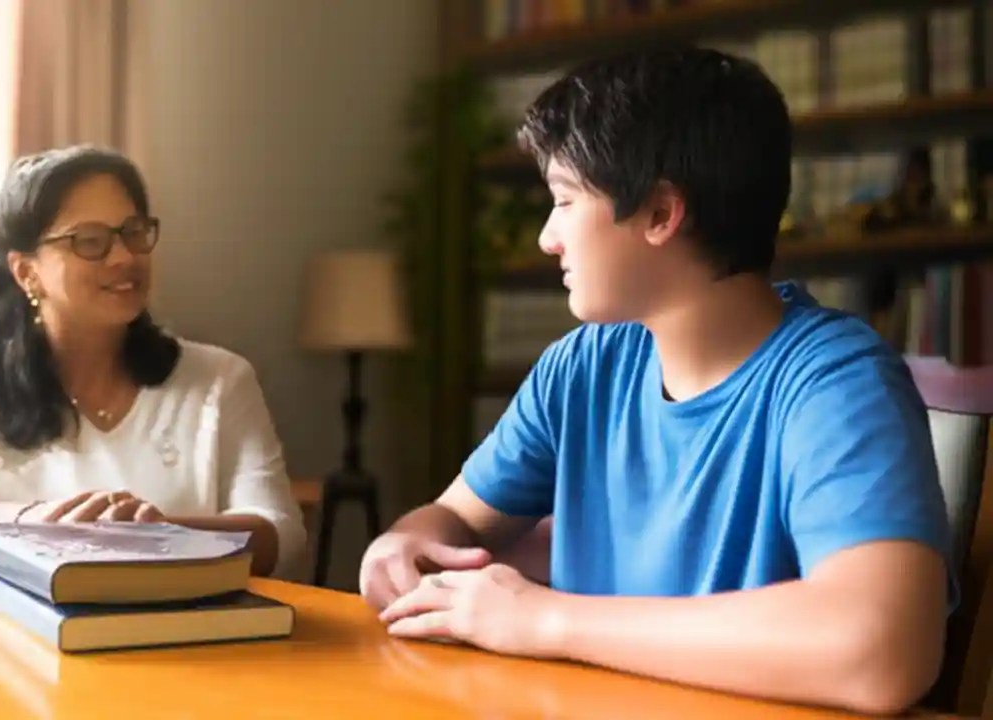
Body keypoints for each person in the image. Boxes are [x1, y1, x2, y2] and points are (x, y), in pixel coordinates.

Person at [360, 48, 952, 715]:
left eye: (564, 201)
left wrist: (546, 619)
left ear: (662, 214)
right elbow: (456, 519)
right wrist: (405, 543)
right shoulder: (582, 367)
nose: (548, 238)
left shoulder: (835, 384)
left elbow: (880, 652)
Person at [0, 145, 305, 578]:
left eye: (134, 232)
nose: (123, 257)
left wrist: (153, 537)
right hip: (31, 640)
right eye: (90, 241)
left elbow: (281, 534)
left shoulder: (219, 379)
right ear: (27, 272)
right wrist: (30, 524)